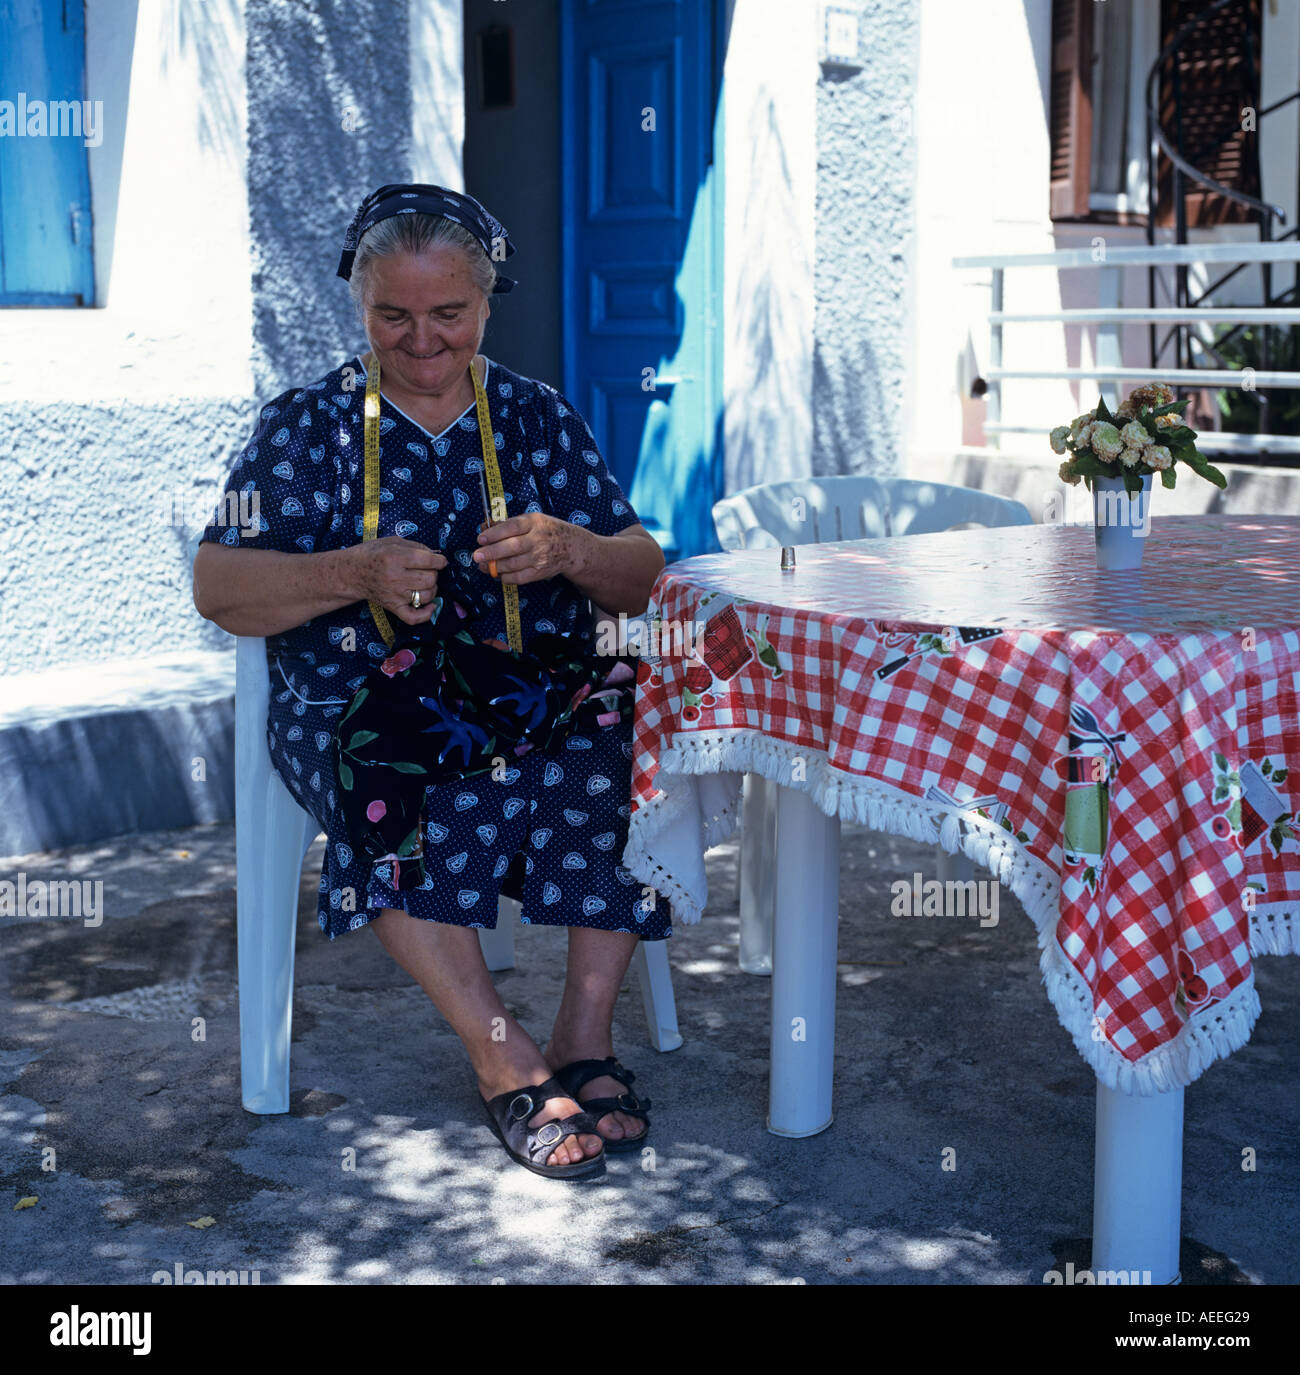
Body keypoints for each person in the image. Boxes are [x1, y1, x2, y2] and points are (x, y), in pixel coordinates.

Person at [193, 184, 669, 1180]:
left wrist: (571, 547)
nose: (421, 340)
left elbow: (640, 567)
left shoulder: (536, 416)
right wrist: (352, 571)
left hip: (530, 681)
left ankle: (584, 1034)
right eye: (392, 316)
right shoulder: (305, 427)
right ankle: (502, 1054)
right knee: (401, 769)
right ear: (360, 308)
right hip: (358, 691)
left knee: (635, 729)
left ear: (486, 306)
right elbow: (218, 582)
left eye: (447, 314)